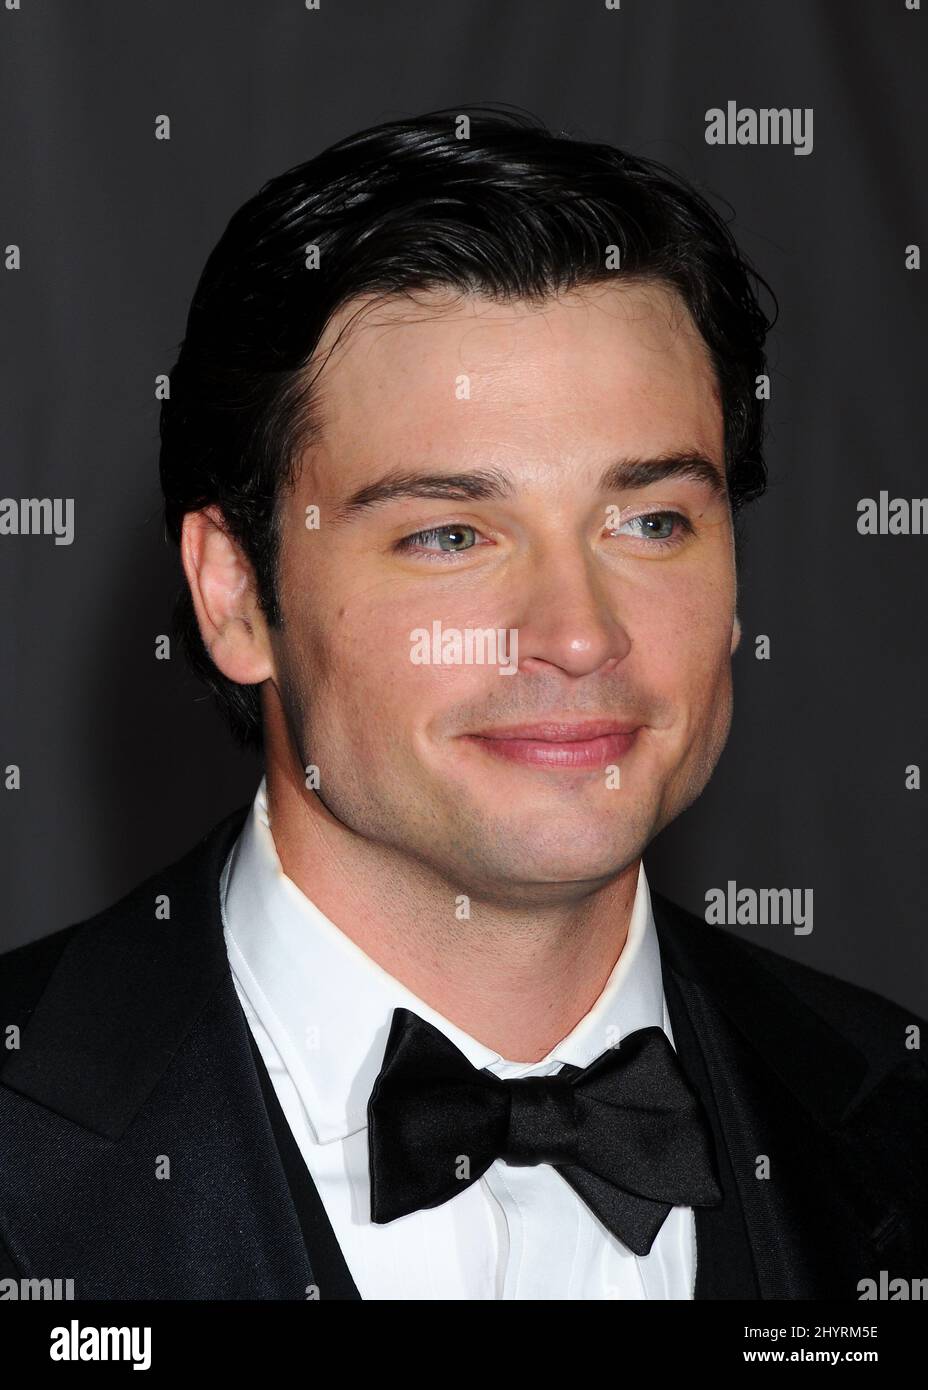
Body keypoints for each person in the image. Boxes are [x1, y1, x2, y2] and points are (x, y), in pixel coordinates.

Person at [1, 107, 925, 1301]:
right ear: (234, 594)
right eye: (449, 533)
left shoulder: (892, 1119)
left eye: (648, 521)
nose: (579, 633)